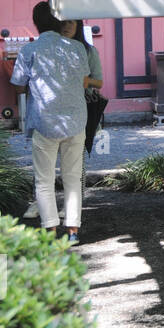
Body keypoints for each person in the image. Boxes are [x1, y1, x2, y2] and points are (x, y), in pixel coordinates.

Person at [10, 2, 90, 244]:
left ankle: (50, 230)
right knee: (73, 177)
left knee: (43, 179)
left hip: (44, 121)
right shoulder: (77, 48)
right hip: (76, 118)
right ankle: (73, 232)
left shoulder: (29, 50)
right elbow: (84, 79)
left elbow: (17, 83)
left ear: (37, 22)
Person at [66, 19, 104, 203]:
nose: (66, 26)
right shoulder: (53, 50)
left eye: (71, 23)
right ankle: (40, 203)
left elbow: (99, 82)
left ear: (78, 26)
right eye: (62, 23)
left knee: (76, 160)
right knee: (47, 161)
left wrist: (84, 81)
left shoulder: (89, 51)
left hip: (80, 109)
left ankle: (76, 201)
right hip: (54, 111)